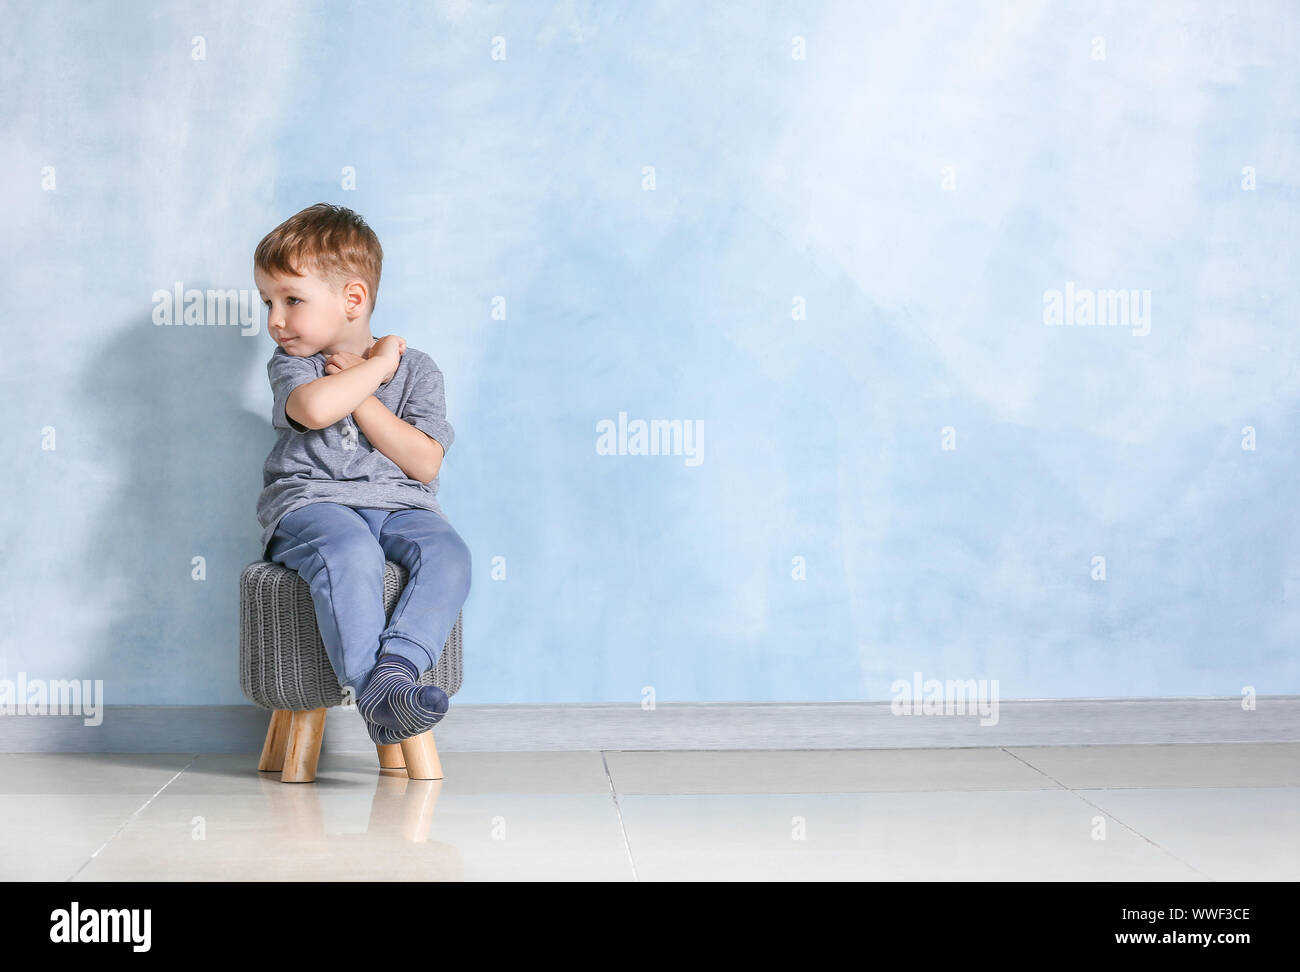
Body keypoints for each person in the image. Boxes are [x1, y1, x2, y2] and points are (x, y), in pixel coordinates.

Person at [252, 202, 471, 746]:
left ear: (354, 298)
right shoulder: (295, 363)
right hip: (311, 505)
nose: (276, 320)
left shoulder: (417, 369)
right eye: (268, 303)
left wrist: (376, 384)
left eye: (291, 300)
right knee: (350, 550)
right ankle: (370, 688)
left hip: (401, 505)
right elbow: (314, 411)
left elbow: (423, 462)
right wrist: (376, 367)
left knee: (450, 554)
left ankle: (395, 672)